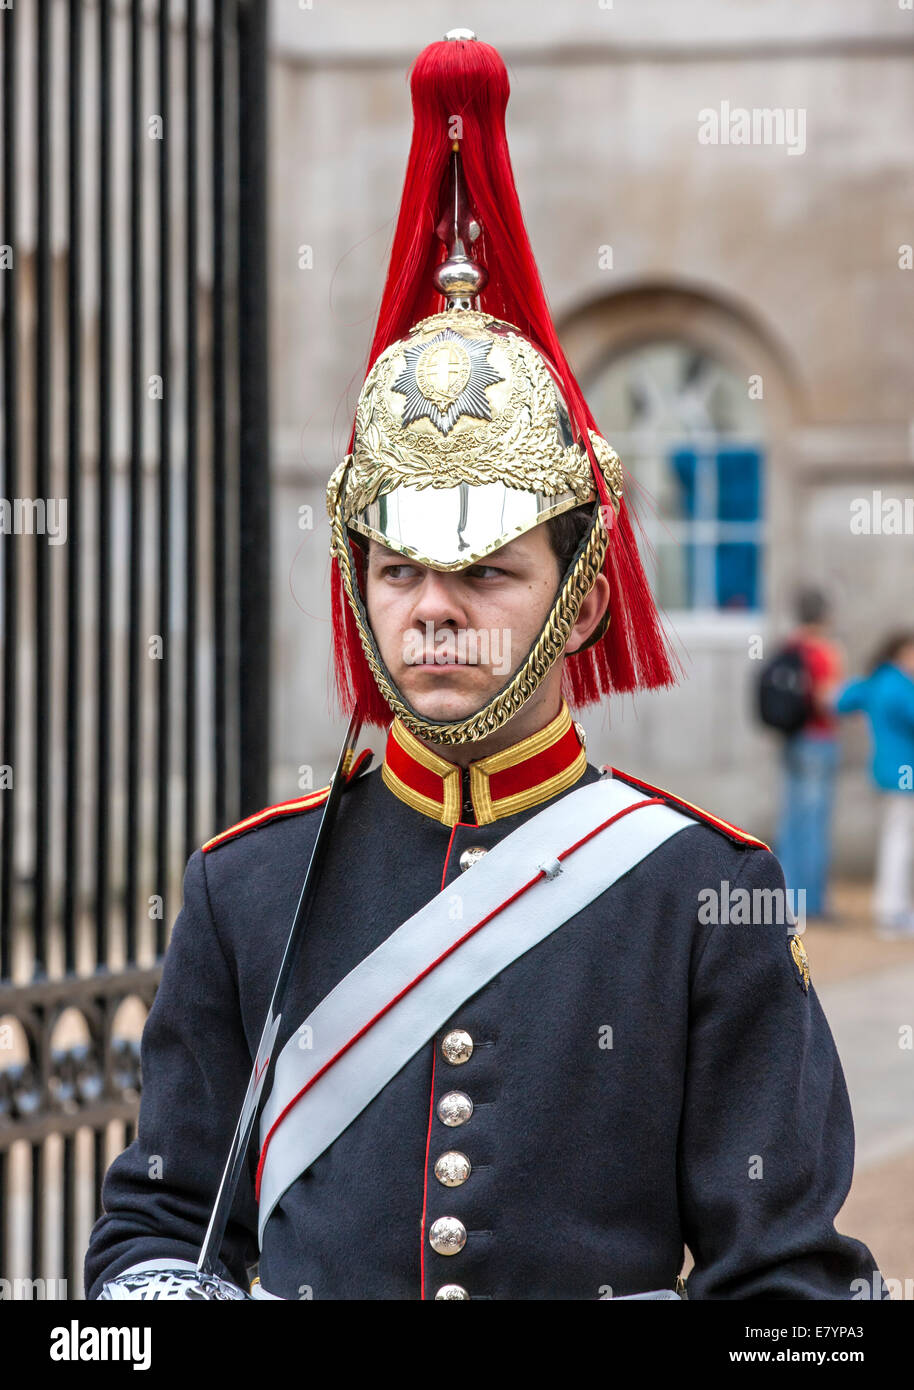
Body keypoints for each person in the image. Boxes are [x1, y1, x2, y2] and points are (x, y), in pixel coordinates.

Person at [84, 32, 886, 1302]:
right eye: (397, 571)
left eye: (484, 573)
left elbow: (785, 1288)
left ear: (577, 600)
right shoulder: (246, 884)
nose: (430, 612)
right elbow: (163, 1217)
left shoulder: (699, 892)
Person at [834, 632, 914, 939]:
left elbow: (841, 700)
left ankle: (894, 909)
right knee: (899, 842)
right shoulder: (899, 685)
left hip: (885, 771)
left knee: (896, 839)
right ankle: (893, 911)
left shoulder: (876, 682)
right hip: (902, 774)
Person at [774, 587, 845, 920]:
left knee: (792, 820)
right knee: (815, 823)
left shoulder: (788, 646)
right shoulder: (823, 651)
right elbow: (827, 701)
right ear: (824, 616)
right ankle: (813, 903)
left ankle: (788, 897)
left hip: (792, 741)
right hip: (818, 741)